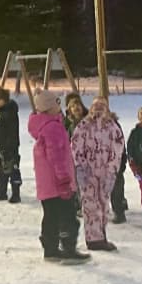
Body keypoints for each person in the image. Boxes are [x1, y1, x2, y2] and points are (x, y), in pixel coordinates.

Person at [28, 90, 89, 265]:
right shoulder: (53, 127)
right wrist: (63, 180)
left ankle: (51, 249)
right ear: (49, 107)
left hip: (47, 184)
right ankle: (69, 249)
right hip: (57, 183)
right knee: (67, 216)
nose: (60, 107)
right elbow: (56, 156)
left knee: (51, 216)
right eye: (57, 103)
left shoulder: (43, 126)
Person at [70, 96, 125, 251]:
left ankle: (101, 234)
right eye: (96, 106)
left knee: (103, 205)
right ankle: (94, 239)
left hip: (106, 173)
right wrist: (80, 168)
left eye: (102, 106)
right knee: (89, 205)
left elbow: (118, 149)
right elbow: (75, 147)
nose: (98, 109)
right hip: (88, 173)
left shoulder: (112, 127)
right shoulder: (83, 126)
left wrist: (112, 170)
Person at [0, 88, 22, 203]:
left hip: (11, 147)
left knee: (13, 169)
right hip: (2, 147)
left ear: (1, 100)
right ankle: (2, 192)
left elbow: (11, 131)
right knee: (2, 169)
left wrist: (9, 145)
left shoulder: (10, 112)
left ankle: (16, 194)